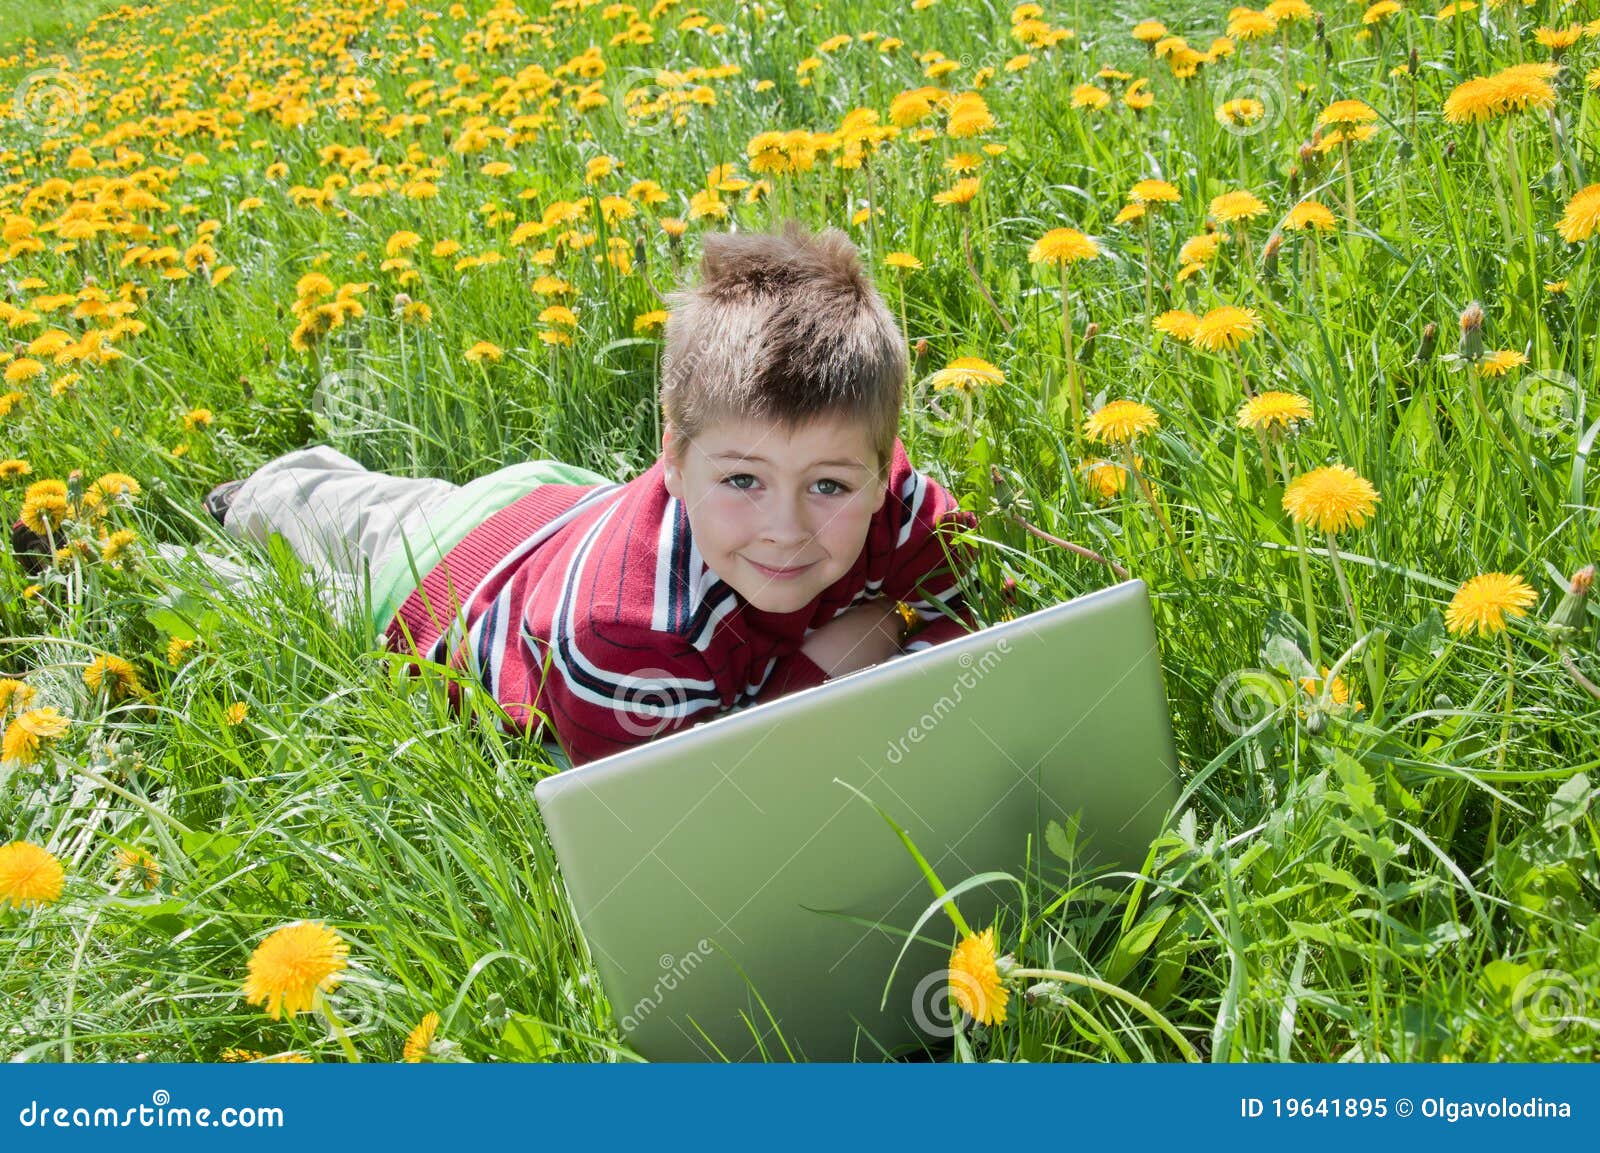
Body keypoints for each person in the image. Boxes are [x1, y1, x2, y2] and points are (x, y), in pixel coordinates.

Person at [24, 220, 983, 767]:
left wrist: (882, 636)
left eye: (829, 484)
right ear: (673, 458)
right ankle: (140, 551)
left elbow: (953, 603)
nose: (786, 528)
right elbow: (719, 794)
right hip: (434, 595)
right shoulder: (625, 634)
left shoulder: (897, 500)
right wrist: (855, 653)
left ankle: (276, 495)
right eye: (742, 479)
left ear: (882, 461)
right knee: (288, 601)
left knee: (377, 507)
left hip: (545, 507)